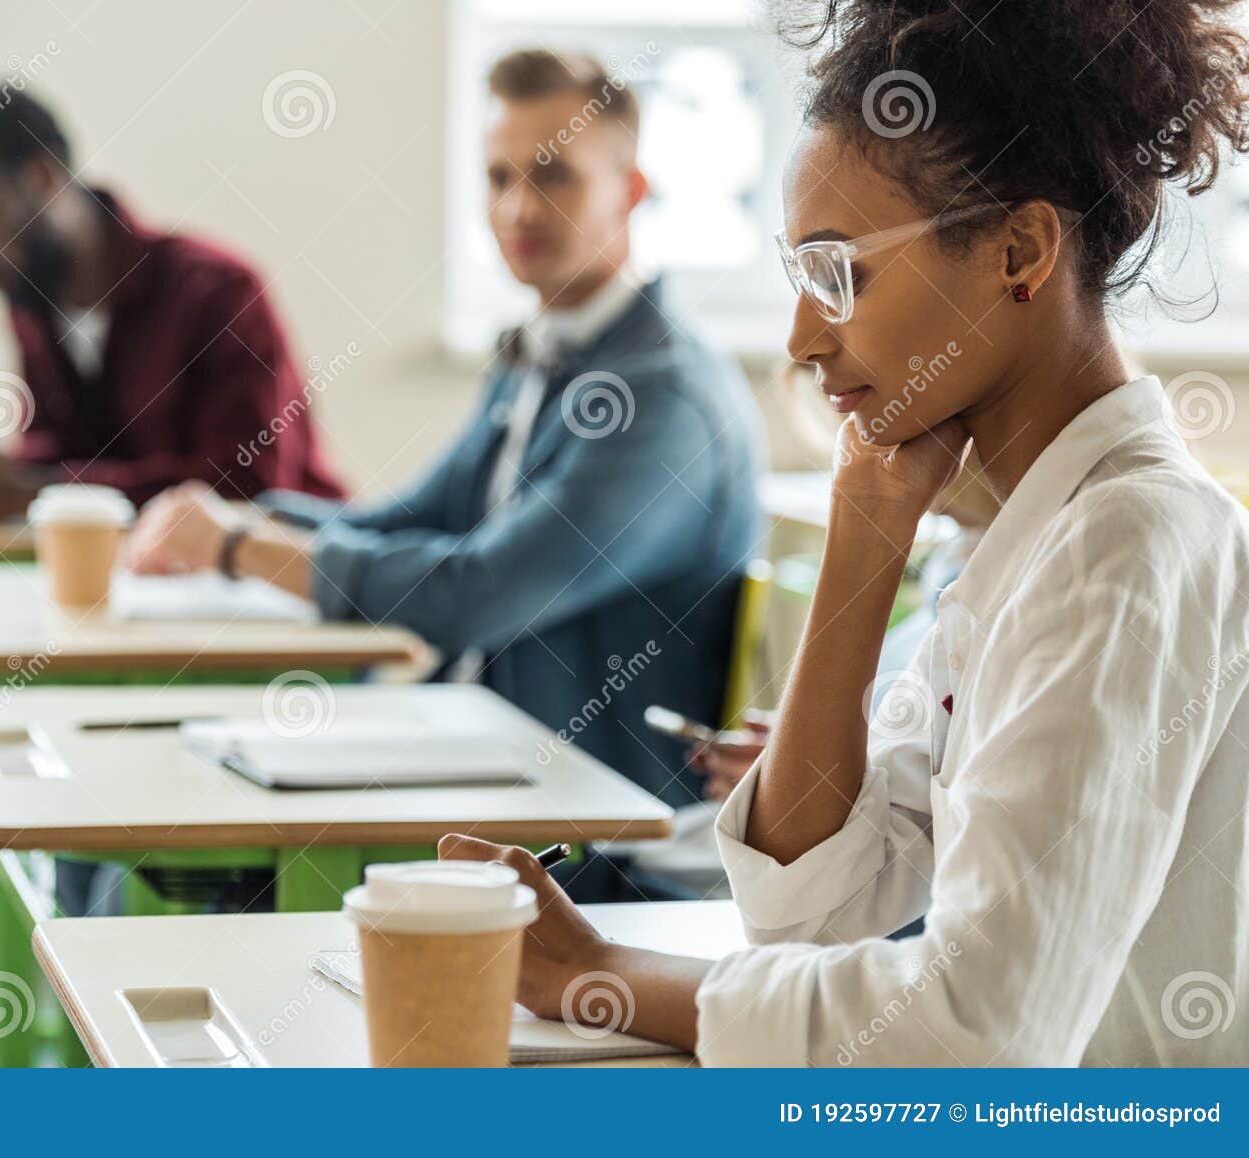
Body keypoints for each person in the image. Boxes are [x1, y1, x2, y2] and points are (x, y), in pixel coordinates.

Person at [440, 0, 1249, 1065]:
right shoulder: (1021, 533)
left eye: (839, 273)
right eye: (797, 278)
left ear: (1017, 249)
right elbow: (809, 910)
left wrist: (600, 978)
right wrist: (863, 536)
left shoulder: (1126, 544)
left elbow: (978, 1032)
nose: (801, 336)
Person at [125, 49, 763, 839]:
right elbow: (418, 519)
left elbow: (476, 592)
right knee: (151, 787)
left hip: (581, 818)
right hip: (479, 749)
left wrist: (238, 550)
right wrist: (239, 519)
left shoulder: (665, 401)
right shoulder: (542, 352)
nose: (520, 209)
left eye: (553, 175)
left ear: (630, 194)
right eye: (499, 179)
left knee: (173, 832)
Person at [0, 87, 344, 521]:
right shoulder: (31, 300)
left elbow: (243, 487)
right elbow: (56, 450)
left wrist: (36, 491)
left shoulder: (217, 291)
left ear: (40, 176)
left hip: (291, 570)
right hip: (142, 576)